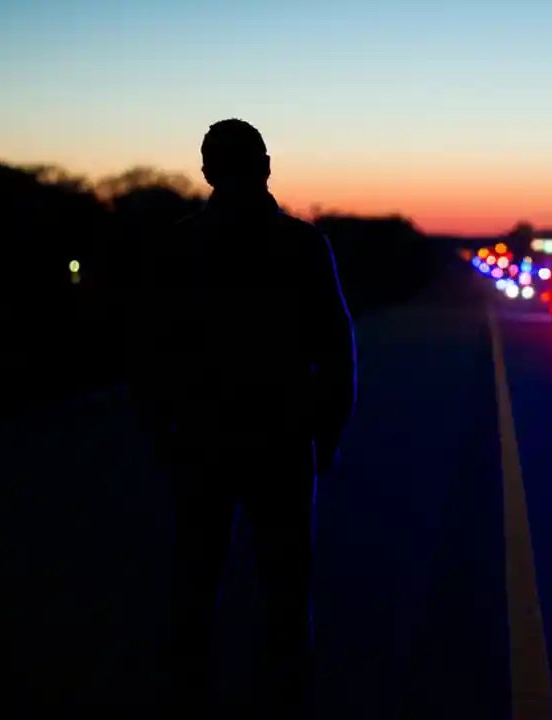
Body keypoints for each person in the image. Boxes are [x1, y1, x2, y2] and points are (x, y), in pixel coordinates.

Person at [129, 118, 356, 716]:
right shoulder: (302, 244)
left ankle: (189, 692)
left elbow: (150, 349)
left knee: (195, 579)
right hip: (282, 438)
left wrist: (160, 431)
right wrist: (327, 433)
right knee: (286, 587)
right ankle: (284, 696)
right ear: (266, 167)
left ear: (207, 172)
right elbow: (336, 349)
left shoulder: (179, 244)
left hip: (201, 437)